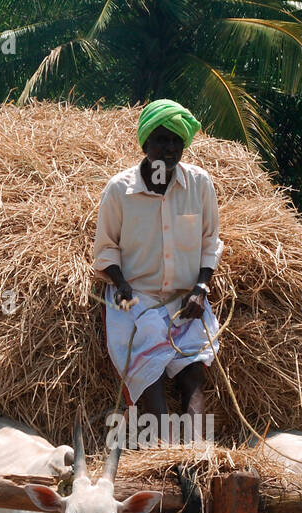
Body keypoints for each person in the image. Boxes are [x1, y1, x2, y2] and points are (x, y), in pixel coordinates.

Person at [92, 98, 224, 442]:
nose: (168, 148)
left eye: (175, 141)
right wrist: (120, 285)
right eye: (161, 139)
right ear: (145, 143)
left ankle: (195, 455)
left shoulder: (199, 185)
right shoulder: (119, 191)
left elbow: (210, 242)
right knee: (149, 373)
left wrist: (200, 290)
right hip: (136, 301)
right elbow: (105, 249)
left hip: (186, 299)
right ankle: (166, 451)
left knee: (192, 374)